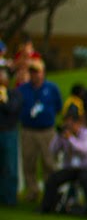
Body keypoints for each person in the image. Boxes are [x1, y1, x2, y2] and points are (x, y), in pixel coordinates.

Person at [40, 105, 87, 215]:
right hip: (71, 169)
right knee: (53, 178)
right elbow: (53, 150)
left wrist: (71, 139)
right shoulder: (64, 135)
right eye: (67, 122)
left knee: (86, 179)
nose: (69, 125)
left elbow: (85, 150)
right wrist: (59, 137)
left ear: (78, 123)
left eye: (71, 122)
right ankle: (47, 207)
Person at [17, 56, 61, 202]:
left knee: (49, 162)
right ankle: (32, 191)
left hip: (47, 131)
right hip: (28, 130)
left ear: (43, 72)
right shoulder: (23, 89)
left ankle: (50, 192)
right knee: (29, 162)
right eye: (32, 72)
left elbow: (58, 107)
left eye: (37, 71)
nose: (34, 74)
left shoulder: (52, 88)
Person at [0, 66, 21, 205]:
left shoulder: (14, 94)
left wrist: (3, 100)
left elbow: (12, 109)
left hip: (9, 133)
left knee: (10, 167)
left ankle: (10, 198)